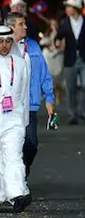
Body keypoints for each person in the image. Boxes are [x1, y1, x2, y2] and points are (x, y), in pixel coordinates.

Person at [5, 12, 56, 178]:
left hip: (29, 104)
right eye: (21, 24)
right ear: (11, 27)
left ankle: (22, 172)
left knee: (31, 144)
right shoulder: (3, 48)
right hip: (8, 106)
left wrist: (49, 98)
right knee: (9, 144)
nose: (25, 27)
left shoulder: (33, 46)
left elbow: (43, 74)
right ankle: (12, 180)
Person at [0, 25, 32, 212]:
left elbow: (24, 94)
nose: (4, 45)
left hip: (13, 119)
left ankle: (17, 194)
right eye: (1, 42)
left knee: (13, 157)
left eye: (7, 41)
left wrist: (23, 121)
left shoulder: (20, 63)